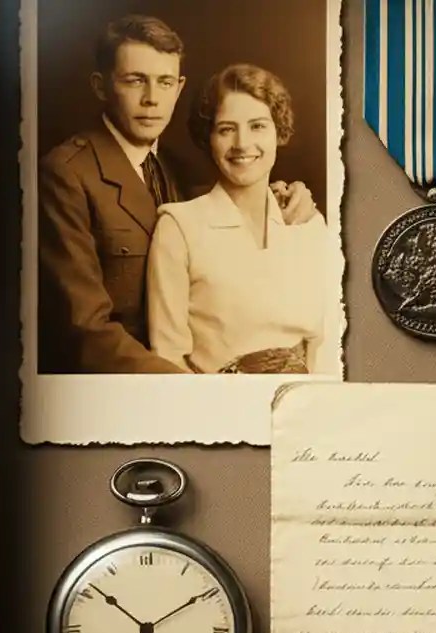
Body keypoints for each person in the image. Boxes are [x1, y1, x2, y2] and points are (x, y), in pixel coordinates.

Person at [37, 14, 319, 374]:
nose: (152, 99)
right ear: (100, 86)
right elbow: (85, 330)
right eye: (135, 81)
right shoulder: (68, 173)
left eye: (165, 81)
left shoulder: (179, 169)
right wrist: (195, 391)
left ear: (179, 87)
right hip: (128, 390)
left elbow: (230, 206)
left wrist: (287, 194)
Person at [145, 64, 342, 375]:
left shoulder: (308, 222)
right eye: (226, 129)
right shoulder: (179, 227)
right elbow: (169, 356)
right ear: (207, 138)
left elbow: (331, 343)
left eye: (258, 126)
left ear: (279, 131)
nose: (242, 144)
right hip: (217, 412)